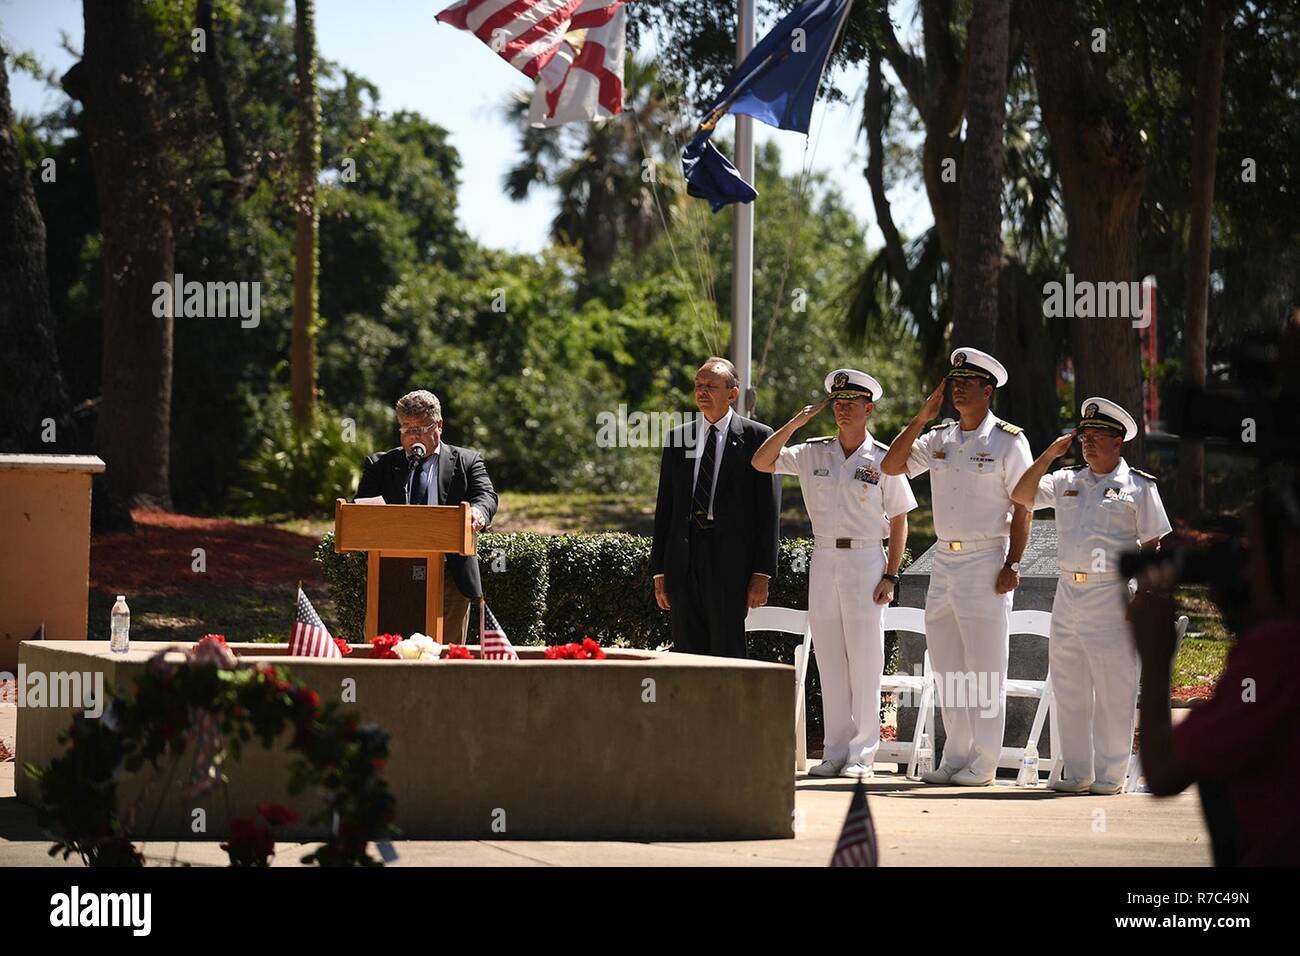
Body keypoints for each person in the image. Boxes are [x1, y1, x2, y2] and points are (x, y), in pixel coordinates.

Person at [880, 347, 1033, 786]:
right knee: (947, 663)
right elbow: (891, 466)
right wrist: (921, 418)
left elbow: (1024, 506)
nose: (957, 388)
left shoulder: (1008, 440)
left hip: (988, 557)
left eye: (967, 382)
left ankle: (984, 761)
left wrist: (1014, 563)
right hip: (945, 558)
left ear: (988, 391)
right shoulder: (940, 437)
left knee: (985, 665)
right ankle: (956, 755)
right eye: (953, 382)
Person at [753, 369, 915, 778]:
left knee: (865, 659)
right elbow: (760, 461)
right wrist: (795, 422)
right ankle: (835, 751)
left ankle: (863, 754)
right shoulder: (813, 451)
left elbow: (899, 520)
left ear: (869, 409)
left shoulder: (882, 458)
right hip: (824, 557)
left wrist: (891, 575)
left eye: (851, 403)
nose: (843, 409)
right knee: (828, 657)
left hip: (865, 560)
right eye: (837, 403)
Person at [1128, 482, 1300, 865]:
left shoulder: (1279, 651)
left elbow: (1165, 772)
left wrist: (1155, 662)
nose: (1243, 574)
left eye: (1252, 556)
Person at [1011, 398, 1171, 794]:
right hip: (1068, 590)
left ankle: (1111, 775)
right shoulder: (1068, 481)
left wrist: (1143, 594)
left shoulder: (1139, 486)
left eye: (1098, 436)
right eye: (1084, 436)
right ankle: (1077, 772)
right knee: (1069, 683)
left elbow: (1153, 544)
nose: (1088, 443)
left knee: (1114, 685)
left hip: (1111, 592)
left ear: (1119, 441)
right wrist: (1049, 454)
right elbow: (1021, 494)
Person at [651, 357, 781, 658]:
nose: (702, 392)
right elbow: (665, 509)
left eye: (711, 386)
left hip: (731, 565)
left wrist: (762, 573)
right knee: (687, 652)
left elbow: (769, 512)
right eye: (698, 385)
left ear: (733, 393)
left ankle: (728, 708)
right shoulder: (678, 437)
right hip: (684, 562)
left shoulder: (758, 437)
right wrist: (659, 570)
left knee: (727, 650)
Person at [355, 389, 497, 642]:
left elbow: (486, 496)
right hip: (392, 571)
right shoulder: (380, 465)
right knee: (387, 650)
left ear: (439, 425)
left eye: (420, 428)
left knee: (447, 655)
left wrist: (477, 512)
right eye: (407, 429)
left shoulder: (466, 461)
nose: (413, 436)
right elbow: (362, 510)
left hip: (450, 573)